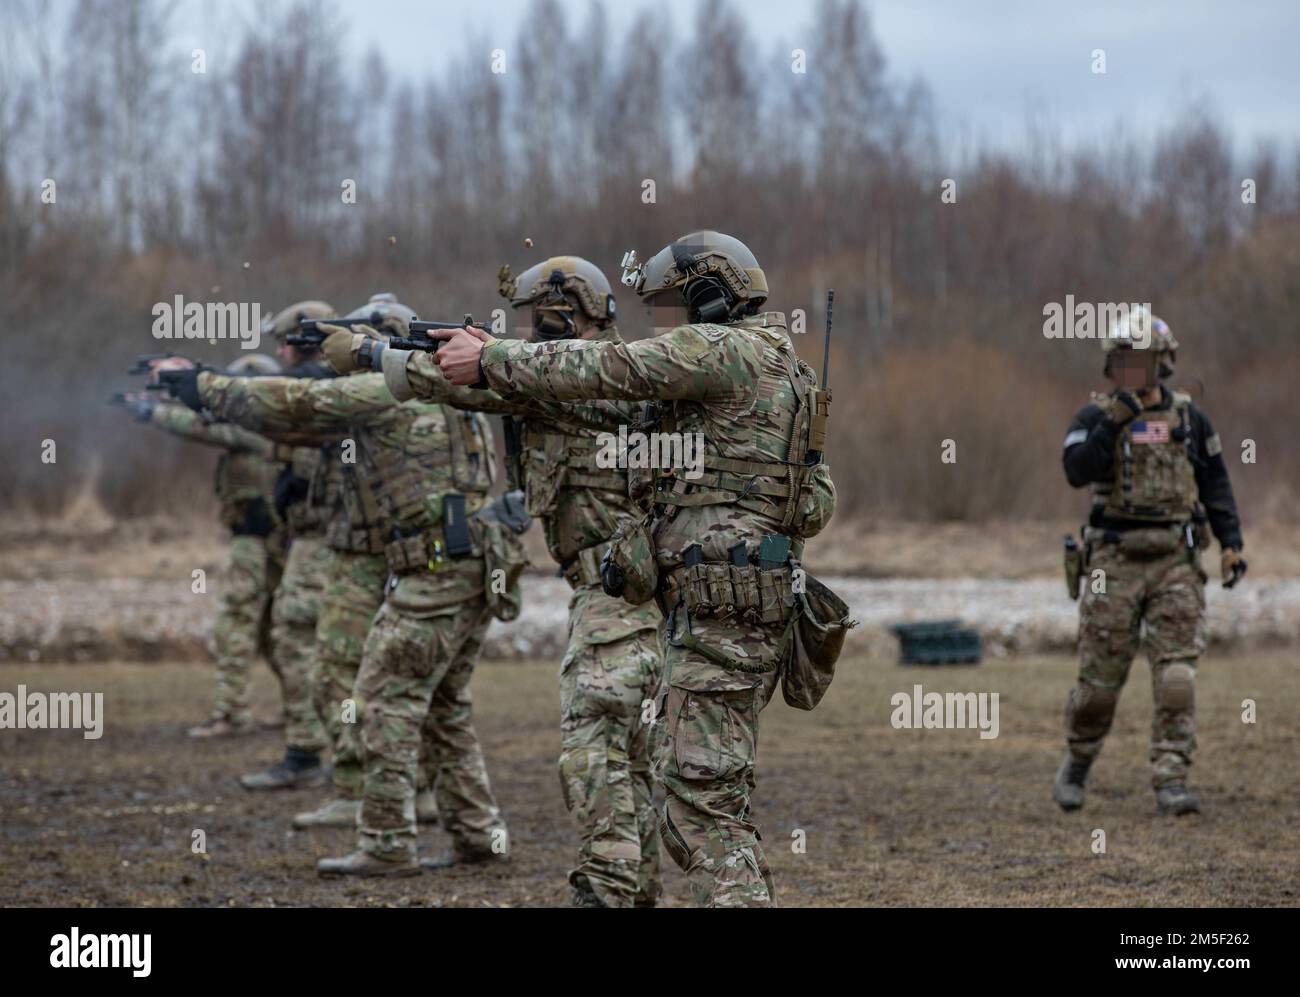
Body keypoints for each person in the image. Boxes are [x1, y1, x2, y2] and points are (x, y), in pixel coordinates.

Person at [378, 231, 837, 906]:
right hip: (738, 609)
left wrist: (494, 357)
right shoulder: (778, 367)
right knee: (710, 798)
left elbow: (613, 368)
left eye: (669, 309)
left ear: (707, 300)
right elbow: (815, 501)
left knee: (698, 810)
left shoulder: (725, 348)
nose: (660, 326)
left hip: (723, 614)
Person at [329, 256, 663, 906]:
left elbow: (471, 385)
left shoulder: (582, 377)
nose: (528, 339)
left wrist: (372, 353)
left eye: (535, 326)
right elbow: (487, 385)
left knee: (593, 749)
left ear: (561, 318)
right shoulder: (600, 373)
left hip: (616, 595)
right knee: (632, 753)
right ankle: (637, 888)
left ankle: (608, 890)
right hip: (634, 593)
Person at [158, 297, 514, 876]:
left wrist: (202, 386)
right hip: (470, 561)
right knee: (445, 706)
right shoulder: (448, 390)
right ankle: (477, 834)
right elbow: (302, 420)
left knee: (382, 699)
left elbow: (302, 401)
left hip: (434, 568)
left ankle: (387, 842)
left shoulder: (396, 389)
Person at [1055, 308, 1246, 816]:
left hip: (1175, 561)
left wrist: (1231, 543)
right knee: (1097, 686)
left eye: (1138, 360)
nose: (1130, 370)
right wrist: (1114, 423)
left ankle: (1171, 778)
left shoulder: (1189, 419)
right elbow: (1076, 471)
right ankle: (1077, 761)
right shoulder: (1094, 417)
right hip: (1111, 561)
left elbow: (1217, 483)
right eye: (1122, 361)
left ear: (1161, 362)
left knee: (1177, 679)